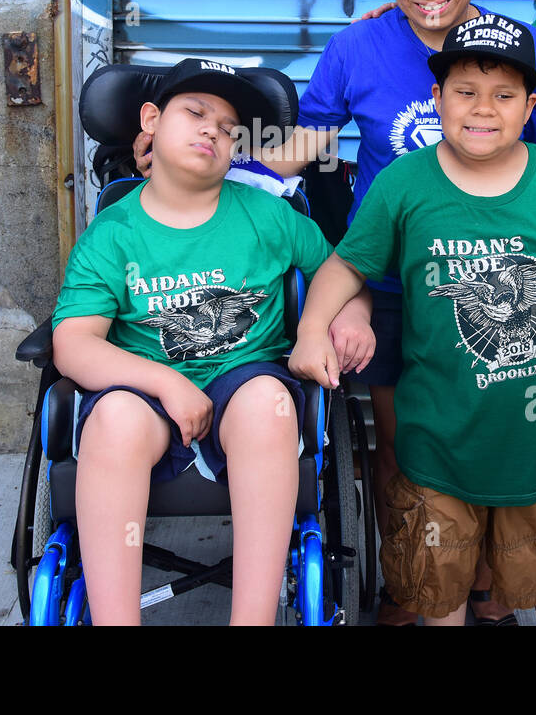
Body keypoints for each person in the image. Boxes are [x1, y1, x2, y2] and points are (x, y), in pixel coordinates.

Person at [289, 13, 536, 625]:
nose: (483, 109)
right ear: (436, 98)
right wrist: (311, 331)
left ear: (530, 105)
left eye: (504, 95)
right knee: (438, 585)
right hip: (435, 443)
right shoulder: (403, 183)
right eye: (465, 91)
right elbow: (347, 265)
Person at [51, 59, 373, 625]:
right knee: (113, 421)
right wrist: (166, 383)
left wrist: (347, 320)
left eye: (229, 129)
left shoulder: (268, 216)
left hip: (244, 378)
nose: (212, 131)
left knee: (269, 408)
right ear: (150, 119)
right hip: (145, 385)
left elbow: (344, 274)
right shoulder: (114, 233)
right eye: (195, 113)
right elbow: (74, 343)